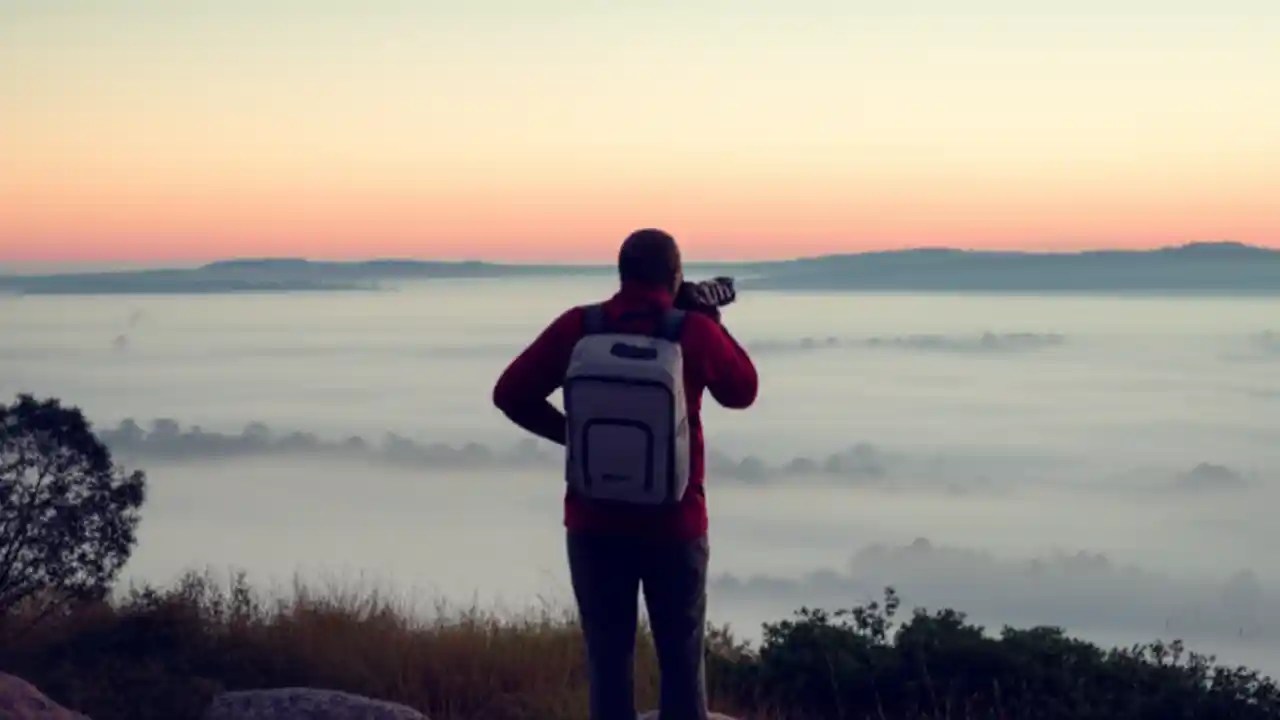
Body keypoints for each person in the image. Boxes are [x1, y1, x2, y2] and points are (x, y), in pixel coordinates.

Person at [492, 228, 759, 720]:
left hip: (593, 522)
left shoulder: (579, 327)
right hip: (676, 524)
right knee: (681, 663)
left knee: (608, 664)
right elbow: (744, 390)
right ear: (675, 276)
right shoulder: (691, 332)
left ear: (621, 273)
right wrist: (709, 319)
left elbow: (509, 393)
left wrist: (579, 440)